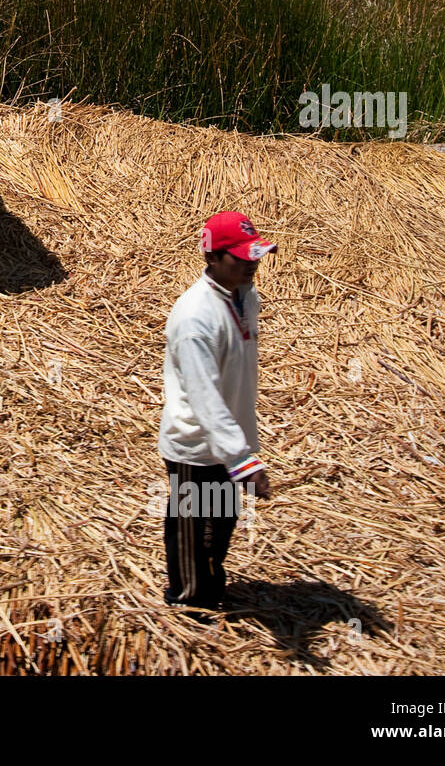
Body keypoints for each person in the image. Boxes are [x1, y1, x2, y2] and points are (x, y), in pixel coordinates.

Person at [158, 211, 275, 616]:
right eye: (242, 258)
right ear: (213, 258)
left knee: (222, 523)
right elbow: (204, 396)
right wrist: (244, 460)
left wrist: (242, 452)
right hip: (196, 443)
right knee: (195, 533)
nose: (252, 264)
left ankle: (210, 586)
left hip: (228, 442)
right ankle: (189, 602)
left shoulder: (245, 297)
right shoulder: (195, 318)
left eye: (255, 256)